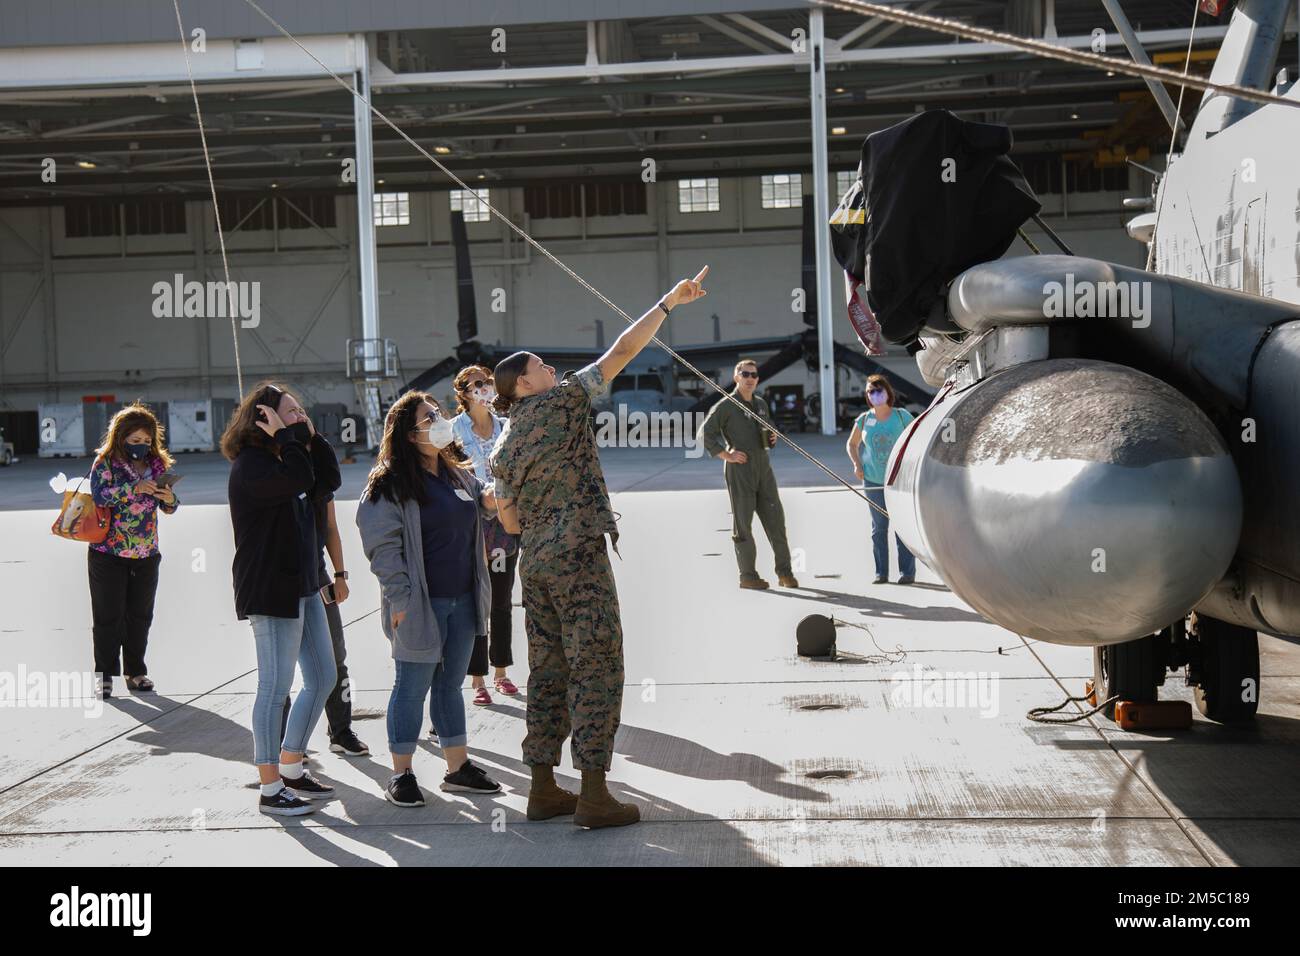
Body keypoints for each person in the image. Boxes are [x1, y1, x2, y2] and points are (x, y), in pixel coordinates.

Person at [489, 265, 710, 829]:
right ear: (525, 385)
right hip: (577, 556)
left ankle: (542, 788)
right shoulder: (562, 401)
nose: (548, 365)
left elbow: (508, 522)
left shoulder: (504, 444)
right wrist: (668, 303)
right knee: (597, 666)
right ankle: (592, 793)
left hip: (534, 566)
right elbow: (622, 350)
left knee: (549, 670)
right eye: (538, 364)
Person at [356, 391, 502, 807]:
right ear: (407, 433)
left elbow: (483, 504)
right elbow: (382, 548)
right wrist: (400, 599)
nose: (438, 421)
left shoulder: (455, 475)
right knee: (411, 687)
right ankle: (400, 773)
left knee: (450, 686)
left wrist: (498, 491)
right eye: (427, 418)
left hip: (463, 599)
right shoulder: (388, 485)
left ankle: (457, 769)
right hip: (420, 605)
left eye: (438, 414)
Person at [223, 382, 340, 817]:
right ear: (264, 419)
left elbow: (326, 479)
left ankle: (292, 764)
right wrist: (289, 440)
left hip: (305, 585)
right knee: (274, 688)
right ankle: (271, 788)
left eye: (300, 411)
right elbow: (299, 479)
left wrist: (308, 436)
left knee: (323, 676)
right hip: (271, 589)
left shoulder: (287, 454)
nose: (299, 417)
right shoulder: (253, 465)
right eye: (289, 412)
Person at [88, 403, 178, 698]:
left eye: (147, 441)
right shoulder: (105, 463)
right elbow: (100, 496)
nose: (142, 446)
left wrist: (168, 498)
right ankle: (104, 675)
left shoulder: (158, 466)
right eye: (135, 440)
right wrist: (135, 489)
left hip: (146, 553)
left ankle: (136, 672)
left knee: (140, 615)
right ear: (121, 436)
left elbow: (170, 507)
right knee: (108, 615)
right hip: (108, 553)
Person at [450, 364, 520, 707]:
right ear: (463, 393)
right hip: (471, 525)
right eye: (477, 384)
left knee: (502, 601)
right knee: (476, 602)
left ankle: (502, 672)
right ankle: (477, 679)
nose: (485, 388)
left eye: (488, 382)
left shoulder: (508, 426)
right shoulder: (452, 431)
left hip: (505, 523)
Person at [697, 359, 799, 591]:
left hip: (763, 468)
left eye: (754, 375)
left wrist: (772, 438)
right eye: (745, 374)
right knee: (743, 525)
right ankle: (748, 576)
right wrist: (726, 454)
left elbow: (767, 431)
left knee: (777, 521)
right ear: (736, 377)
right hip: (740, 470)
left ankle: (785, 573)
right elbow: (705, 434)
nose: (750, 378)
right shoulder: (726, 406)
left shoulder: (761, 403)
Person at [846, 374, 916, 585]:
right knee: (879, 528)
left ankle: (907, 572)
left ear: (888, 392)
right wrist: (857, 464)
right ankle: (881, 573)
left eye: (879, 390)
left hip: (899, 480)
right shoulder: (864, 419)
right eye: (871, 392)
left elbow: (917, 438)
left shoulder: (901, 415)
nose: (875, 395)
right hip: (873, 480)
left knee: (901, 526)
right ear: (867, 396)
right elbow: (851, 444)